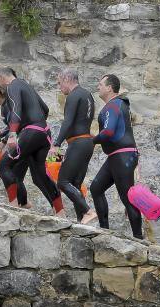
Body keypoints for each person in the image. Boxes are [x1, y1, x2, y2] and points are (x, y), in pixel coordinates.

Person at [0, 66, 65, 216]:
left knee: (4, 164)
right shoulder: (25, 85)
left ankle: (13, 207)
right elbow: (45, 109)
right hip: (44, 132)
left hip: (31, 132)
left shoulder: (12, 86)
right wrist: (37, 124)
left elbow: (16, 109)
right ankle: (60, 213)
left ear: (1, 77)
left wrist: (13, 134)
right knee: (40, 176)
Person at [89, 74, 143, 239]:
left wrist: (92, 140)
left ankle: (139, 239)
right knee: (96, 188)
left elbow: (108, 132)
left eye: (100, 84)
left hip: (122, 156)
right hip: (116, 156)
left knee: (128, 199)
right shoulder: (117, 104)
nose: (98, 87)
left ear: (109, 88)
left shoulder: (113, 105)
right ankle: (104, 231)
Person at [49, 69, 97, 224]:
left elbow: (68, 122)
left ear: (67, 79)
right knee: (75, 184)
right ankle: (82, 219)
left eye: (59, 83)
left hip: (77, 143)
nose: (59, 87)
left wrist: (56, 144)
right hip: (87, 143)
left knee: (63, 182)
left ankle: (88, 211)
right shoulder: (87, 94)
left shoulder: (73, 95)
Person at [0, 82, 29, 208]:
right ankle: (23, 204)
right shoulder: (5, 106)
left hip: (24, 140)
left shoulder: (9, 105)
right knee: (16, 175)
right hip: (24, 140)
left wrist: (3, 142)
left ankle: (19, 203)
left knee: (5, 167)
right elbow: (9, 127)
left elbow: (16, 125)